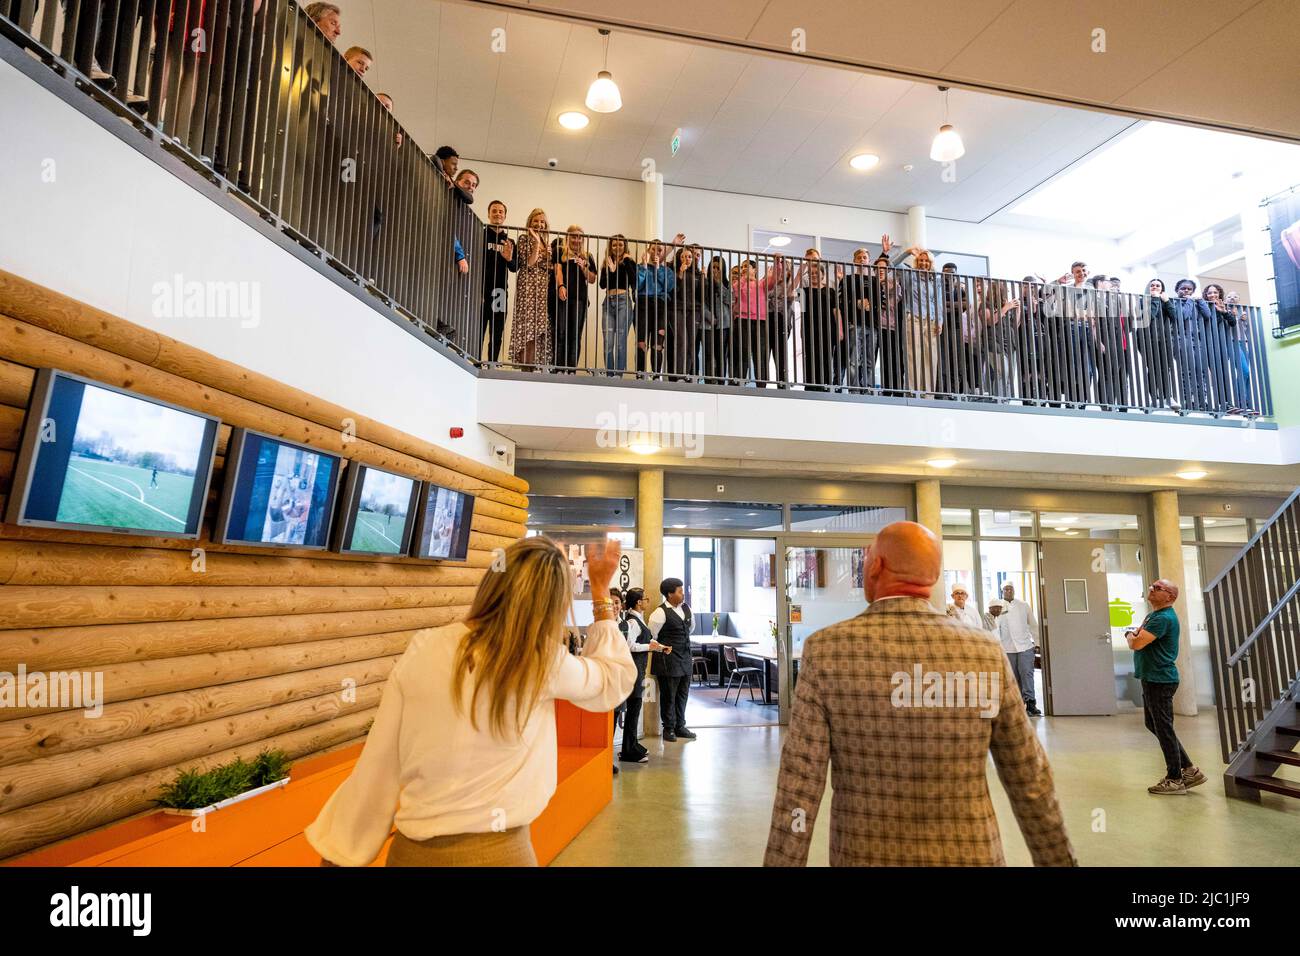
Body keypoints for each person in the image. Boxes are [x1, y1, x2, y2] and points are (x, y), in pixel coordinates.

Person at [305, 536, 635, 867]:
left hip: (412, 854)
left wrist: (342, 851)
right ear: (554, 603)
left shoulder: (425, 646)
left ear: (493, 581)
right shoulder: (540, 661)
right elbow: (613, 680)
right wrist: (600, 592)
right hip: (499, 855)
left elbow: (380, 762)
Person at [764, 521, 1075, 866]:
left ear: (875, 566)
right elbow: (1030, 780)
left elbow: (800, 784)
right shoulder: (984, 651)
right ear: (934, 575)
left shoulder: (828, 650)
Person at [1126, 579, 1206, 794]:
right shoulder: (1153, 615)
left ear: (1170, 596)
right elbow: (1139, 637)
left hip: (1160, 679)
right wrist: (1134, 634)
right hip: (1151, 678)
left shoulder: (1163, 618)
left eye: (1158, 588)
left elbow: (1137, 643)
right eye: (1152, 586)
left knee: (1163, 727)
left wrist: (1129, 634)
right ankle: (1189, 770)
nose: (1152, 589)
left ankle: (1175, 779)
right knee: (1154, 725)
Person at [884, 235, 944, 393]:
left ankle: (929, 393)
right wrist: (907, 252)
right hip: (913, 318)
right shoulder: (909, 274)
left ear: (931, 263)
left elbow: (938, 301)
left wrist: (940, 320)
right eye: (921, 260)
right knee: (914, 355)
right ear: (918, 262)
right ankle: (913, 391)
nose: (924, 263)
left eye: (927, 261)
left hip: (931, 320)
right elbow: (892, 264)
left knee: (931, 357)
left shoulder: (935, 280)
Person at [619, 587, 666, 763]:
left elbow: (644, 641)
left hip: (639, 669)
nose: (647, 601)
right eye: (645, 599)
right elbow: (630, 646)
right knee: (633, 708)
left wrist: (659, 647)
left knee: (635, 709)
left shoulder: (639, 620)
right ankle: (628, 750)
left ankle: (631, 746)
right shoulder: (632, 622)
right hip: (634, 671)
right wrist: (649, 647)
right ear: (639, 602)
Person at [648, 577, 695, 742]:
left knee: (683, 693)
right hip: (668, 660)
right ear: (669, 594)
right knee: (669, 695)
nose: (683, 594)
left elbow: (690, 629)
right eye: (680, 591)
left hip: (685, 658)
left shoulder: (686, 609)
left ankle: (680, 726)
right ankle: (668, 728)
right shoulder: (659, 613)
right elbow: (651, 636)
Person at [508, 208, 552, 369]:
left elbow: (550, 267)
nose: (539, 224)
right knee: (527, 325)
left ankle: (534, 365)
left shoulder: (547, 243)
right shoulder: (524, 239)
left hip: (543, 287)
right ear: (530, 222)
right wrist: (536, 243)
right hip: (528, 285)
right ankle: (526, 365)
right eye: (536, 221)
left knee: (540, 326)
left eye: (542, 221)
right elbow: (529, 263)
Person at [552, 226, 596, 372]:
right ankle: (558, 368)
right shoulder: (559, 251)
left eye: (579, 237)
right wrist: (561, 286)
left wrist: (584, 267)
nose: (576, 240)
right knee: (560, 332)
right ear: (567, 237)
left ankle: (571, 370)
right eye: (573, 236)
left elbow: (592, 279)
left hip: (580, 299)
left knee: (575, 335)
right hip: (563, 297)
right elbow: (558, 270)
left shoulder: (588, 256)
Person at [1164, 278, 1211, 412]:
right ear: (1177, 290)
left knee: (1200, 370)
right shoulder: (1174, 302)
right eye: (1183, 288)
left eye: (1189, 289)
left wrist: (1200, 300)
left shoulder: (1196, 303)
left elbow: (1207, 315)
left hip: (1196, 340)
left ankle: (1203, 399)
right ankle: (1188, 398)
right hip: (1179, 339)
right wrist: (1190, 301)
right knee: (1187, 370)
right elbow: (1183, 316)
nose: (1186, 291)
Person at [480, 200, 516, 363]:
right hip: (481, 291)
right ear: (489, 214)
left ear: (505, 216)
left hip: (500, 292)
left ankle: (492, 365)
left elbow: (515, 267)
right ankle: (475, 361)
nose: (497, 214)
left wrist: (509, 259)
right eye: (494, 211)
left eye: (501, 211)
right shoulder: (480, 233)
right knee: (479, 329)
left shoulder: (509, 242)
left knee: (496, 332)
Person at [998, 582, 1041, 716]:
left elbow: (1033, 625)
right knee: (1013, 678)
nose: (1008, 591)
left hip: (1025, 646)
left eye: (1011, 589)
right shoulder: (997, 607)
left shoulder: (1023, 605)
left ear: (1014, 590)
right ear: (1002, 592)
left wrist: (1038, 643)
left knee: (1027, 674)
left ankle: (1031, 703)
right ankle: (1017, 704)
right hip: (1007, 648)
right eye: (1006, 589)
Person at [635, 240, 676, 377]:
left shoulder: (667, 270)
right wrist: (645, 267)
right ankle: (640, 375)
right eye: (653, 249)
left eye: (659, 250)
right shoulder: (640, 267)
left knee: (657, 344)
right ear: (648, 250)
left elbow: (669, 287)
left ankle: (656, 374)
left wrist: (658, 269)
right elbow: (637, 285)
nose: (656, 253)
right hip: (642, 304)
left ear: (662, 253)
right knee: (641, 342)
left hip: (660, 306)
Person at [838, 248, 876, 391]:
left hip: (872, 325)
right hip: (854, 324)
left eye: (864, 257)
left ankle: (868, 388)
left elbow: (882, 301)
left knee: (870, 360)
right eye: (859, 257)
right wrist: (857, 303)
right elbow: (841, 302)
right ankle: (854, 388)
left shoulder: (874, 280)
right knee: (854, 359)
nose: (862, 259)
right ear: (854, 261)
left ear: (868, 260)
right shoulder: (847, 279)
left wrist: (872, 305)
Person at [599, 234, 637, 376]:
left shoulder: (629, 262)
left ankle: (619, 374)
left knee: (621, 340)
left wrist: (626, 261)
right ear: (610, 247)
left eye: (620, 245)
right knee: (608, 341)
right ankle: (610, 373)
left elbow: (634, 281)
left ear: (625, 246)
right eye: (614, 245)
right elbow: (602, 285)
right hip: (608, 302)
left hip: (623, 301)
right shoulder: (606, 262)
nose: (617, 247)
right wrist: (611, 271)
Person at [800, 261, 841, 390]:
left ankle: (826, 386)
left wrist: (840, 329)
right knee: (811, 357)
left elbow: (836, 311)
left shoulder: (830, 290)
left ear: (823, 274)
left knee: (827, 357)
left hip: (828, 329)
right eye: (811, 273)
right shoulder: (804, 291)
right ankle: (811, 386)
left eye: (817, 273)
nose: (814, 275)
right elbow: (800, 308)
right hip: (810, 329)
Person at [703, 255, 733, 382]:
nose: (715, 270)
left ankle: (721, 381)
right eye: (713, 267)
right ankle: (709, 380)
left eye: (718, 268)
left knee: (721, 354)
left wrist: (719, 283)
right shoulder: (704, 282)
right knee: (709, 354)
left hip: (724, 324)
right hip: (707, 324)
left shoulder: (727, 284)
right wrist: (709, 316)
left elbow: (729, 300)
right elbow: (701, 301)